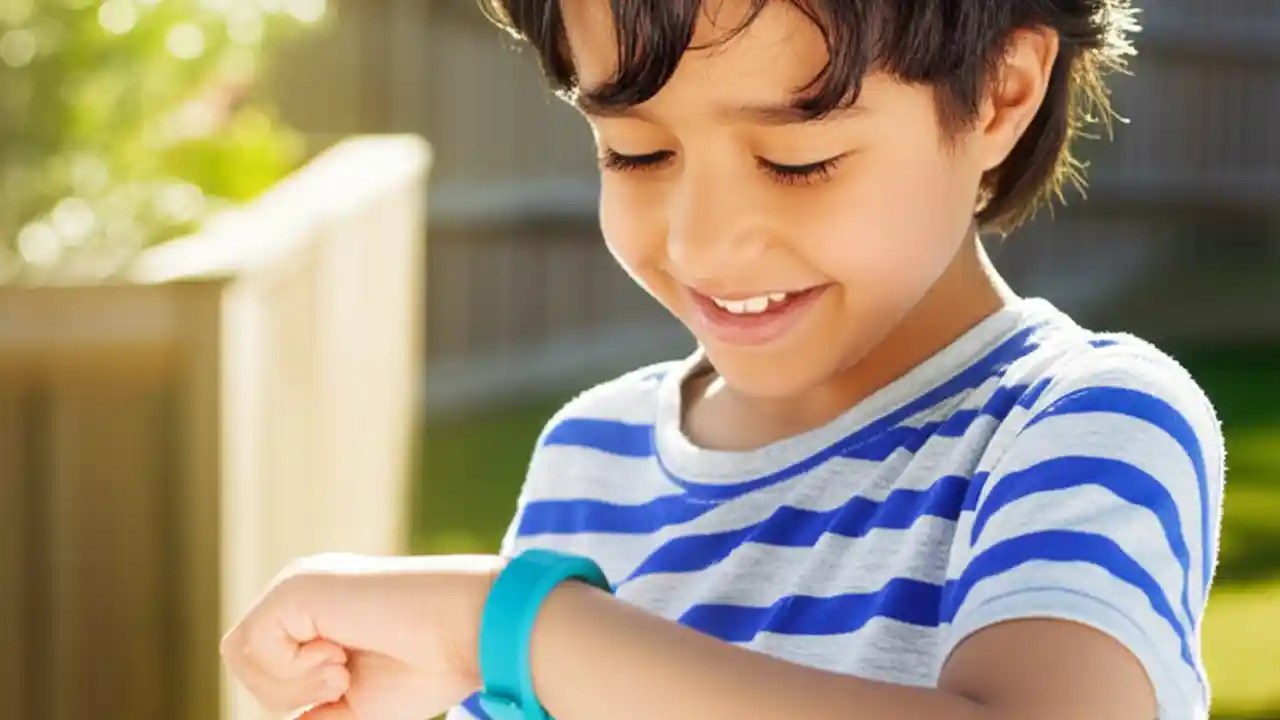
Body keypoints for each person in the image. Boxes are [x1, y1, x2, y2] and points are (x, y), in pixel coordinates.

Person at [220, 1, 1227, 718]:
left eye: (798, 161)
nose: (703, 243)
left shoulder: (1080, 422)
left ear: (1000, 95)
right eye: (635, 152)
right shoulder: (591, 456)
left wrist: (508, 627)